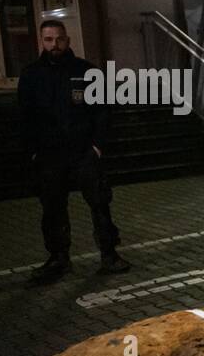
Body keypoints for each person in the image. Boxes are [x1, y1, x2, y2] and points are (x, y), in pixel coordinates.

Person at [19, 20, 129, 284]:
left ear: (68, 40)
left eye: (58, 39)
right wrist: (33, 151)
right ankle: (58, 258)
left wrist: (97, 146)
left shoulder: (87, 71)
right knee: (52, 208)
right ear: (41, 41)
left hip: (83, 152)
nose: (54, 45)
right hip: (49, 155)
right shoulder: (31, 75)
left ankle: (109, 254)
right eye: (48, 39)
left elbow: (103, 111)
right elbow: (25, 117)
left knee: (100, 203)